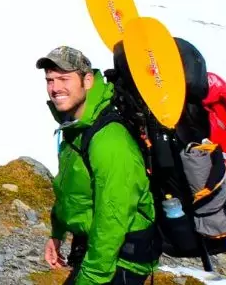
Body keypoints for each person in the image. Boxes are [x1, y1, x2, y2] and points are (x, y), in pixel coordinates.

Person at [36, 46, 160, 285]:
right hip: (96, 247)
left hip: (121, 260)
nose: (55, 88)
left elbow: (113, 216)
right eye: (50, 80)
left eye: (64, 78)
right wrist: (57, 233)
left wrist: (92, 277)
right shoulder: (77, 124)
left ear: (88, 80)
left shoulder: (109, 140)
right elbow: (71, 185)